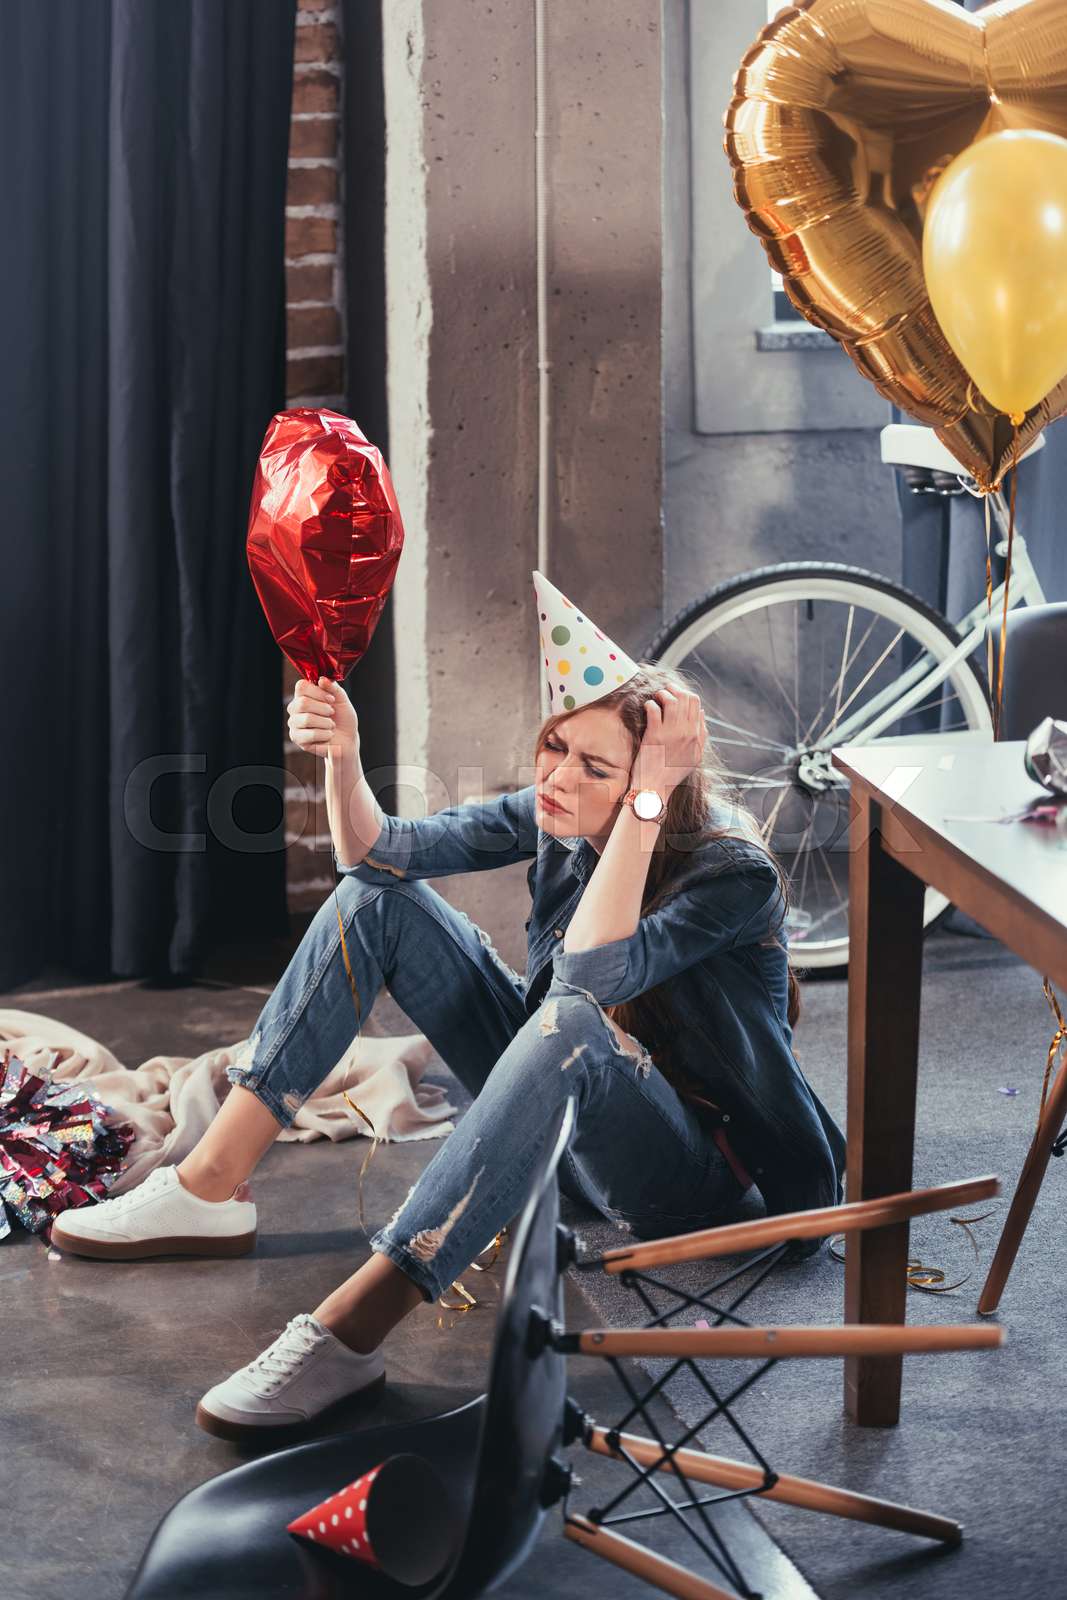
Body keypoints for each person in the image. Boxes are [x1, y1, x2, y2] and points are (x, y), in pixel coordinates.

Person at [51, 572, 845, 1441]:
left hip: (682, 1175)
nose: (555, 777)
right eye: (552, 747)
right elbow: (376, 854)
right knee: (375, 900)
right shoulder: (555, 810)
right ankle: (207, 1189)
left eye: (593, 767)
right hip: (565, 1121)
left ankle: (349, 1333)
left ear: (645, 782)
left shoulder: (730, 871)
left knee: (571, 1020)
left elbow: (588, 974)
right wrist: (345, 754)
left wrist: (645, 804)